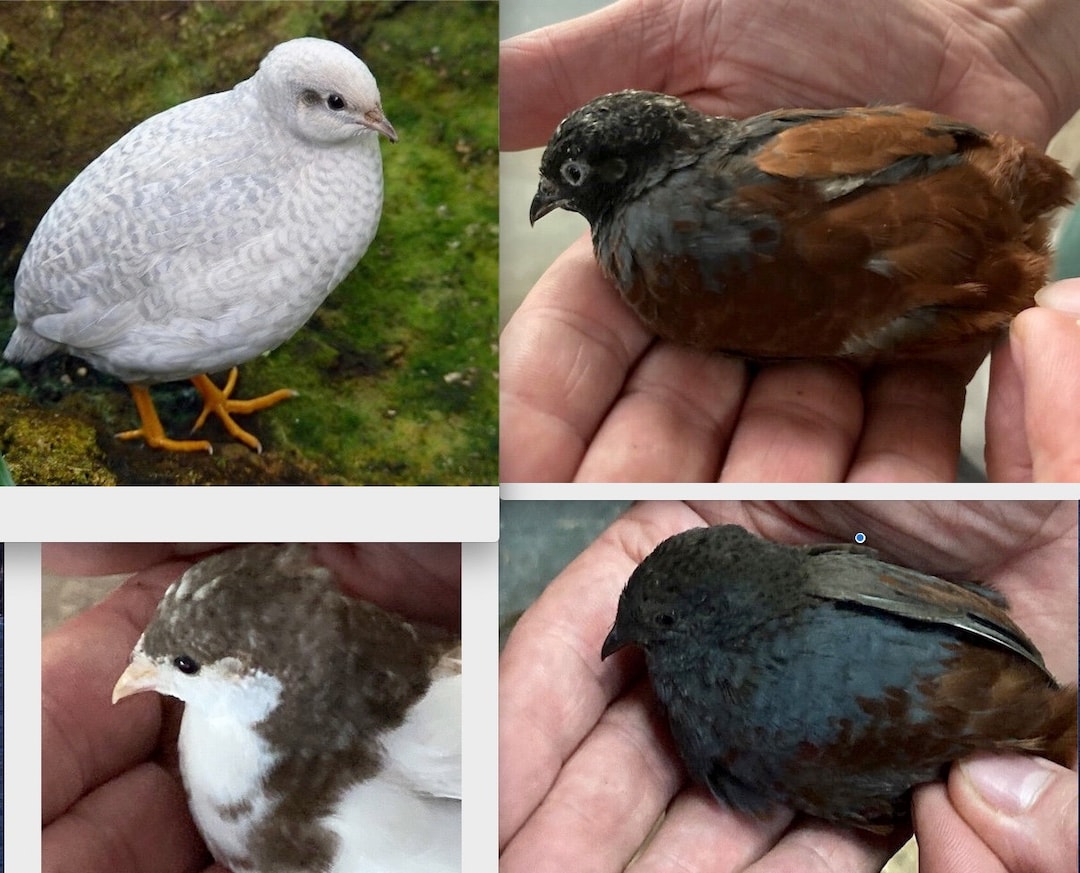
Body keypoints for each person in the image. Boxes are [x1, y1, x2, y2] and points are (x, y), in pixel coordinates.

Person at [500, 0, 1080, 482]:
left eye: (571, 178)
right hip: (976, 211)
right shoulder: (691, 207)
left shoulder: (664, 255)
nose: (548, 196)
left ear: (623, 169)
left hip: (973, 245)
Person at [499, 500, 1078, 873]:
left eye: (665, 627)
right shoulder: (701, 712)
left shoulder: (826, 582)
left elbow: (984, 625)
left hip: (1009, 711)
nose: (638, 641)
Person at [40, 543, 460, 873]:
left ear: (247, 676)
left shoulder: (437, 726)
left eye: (185, 666)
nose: (136, 673)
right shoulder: (219, 741)